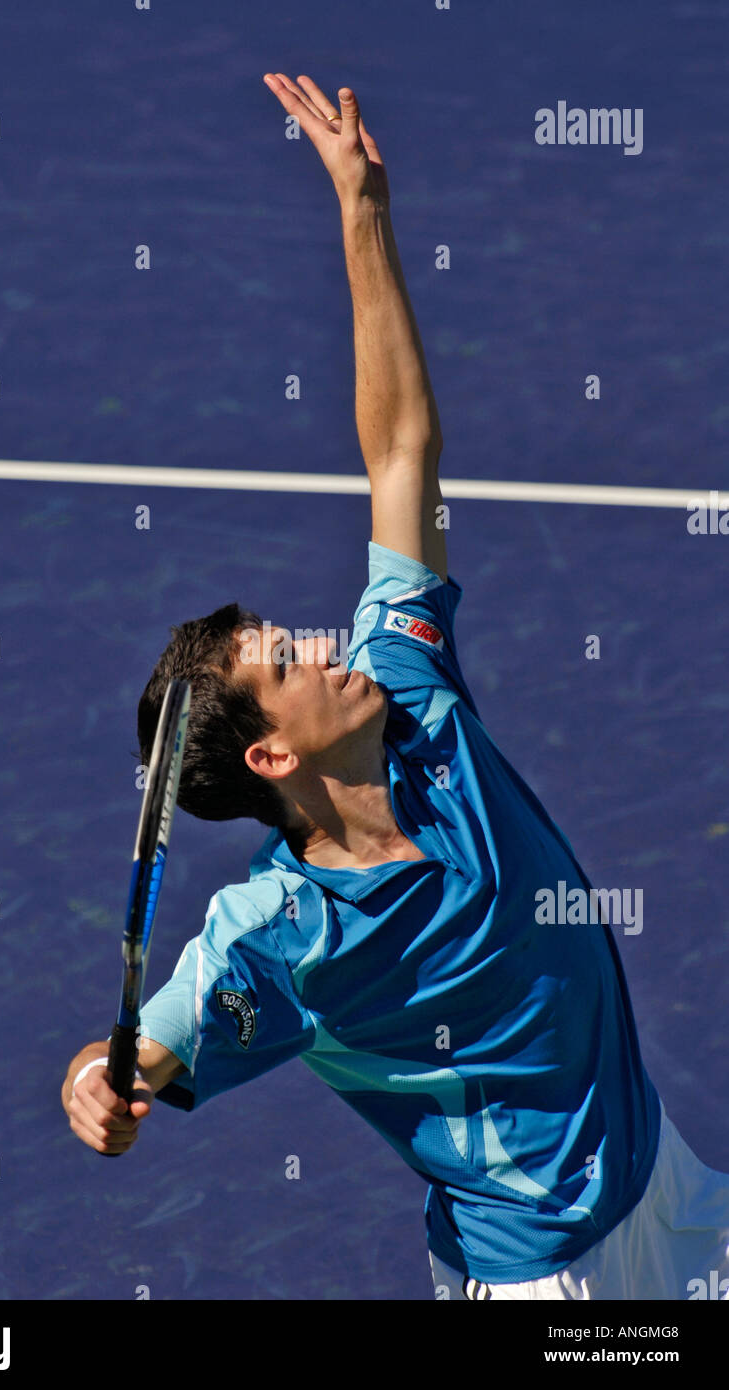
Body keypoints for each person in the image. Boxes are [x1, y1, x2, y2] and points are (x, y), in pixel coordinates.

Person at [62, 74, 729, 1300]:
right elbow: (138, 1053)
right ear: (271, 756)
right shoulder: (276, 937)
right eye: (285, 663)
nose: (320, 644)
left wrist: (361, 207)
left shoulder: (408, 682)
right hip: (539, 1281)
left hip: (669, 1194)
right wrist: (101, 1087)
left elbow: (400, 448)